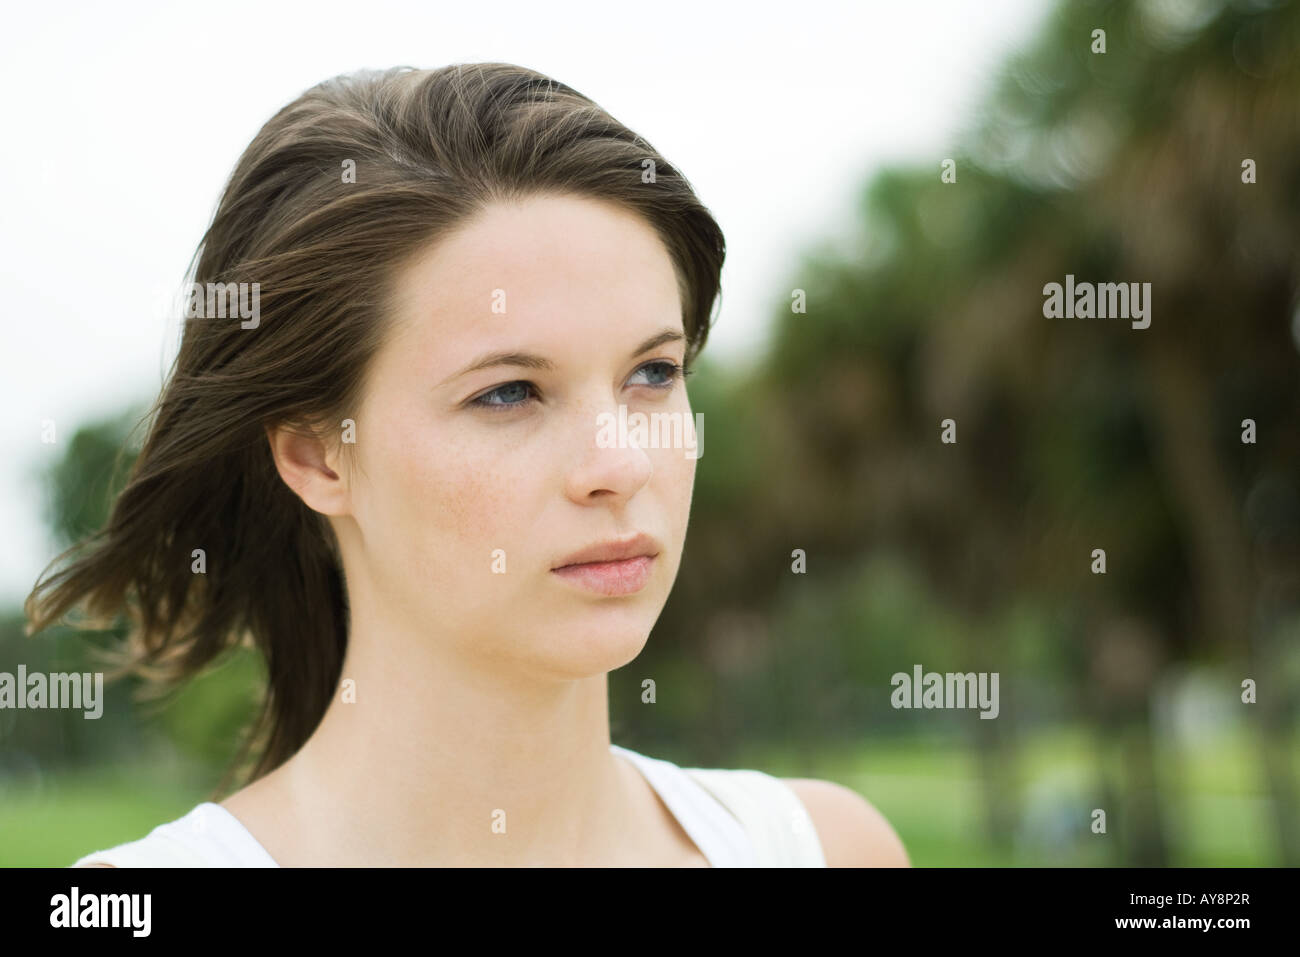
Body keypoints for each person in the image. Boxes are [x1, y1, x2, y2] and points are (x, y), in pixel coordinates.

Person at [27, 62, 908, 867]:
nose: (621, 462)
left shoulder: (823, 849)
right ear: (315, 454)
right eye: (510, 393)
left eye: (652, 373)